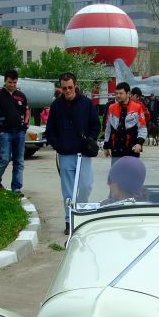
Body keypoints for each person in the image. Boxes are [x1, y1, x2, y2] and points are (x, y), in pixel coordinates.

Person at [44, 72, 101, 234]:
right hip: (65, 154)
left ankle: (81, 214)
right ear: (60, 88)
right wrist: (58, 145)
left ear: (75, 85)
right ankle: (70, 220)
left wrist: (90, 139)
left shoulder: (86, 104)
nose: (67, 91)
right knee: (68, 191)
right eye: (64, 88)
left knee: (86, 185)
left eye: (70, 87)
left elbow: (95, 125)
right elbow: (50, 130)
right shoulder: (56, 106)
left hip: (83, 153)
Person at [0, 69, 29, 196]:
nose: (12, 85)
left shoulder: (21, 96)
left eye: (14, 82)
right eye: (10, 82)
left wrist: (24, 127)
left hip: (19, 133)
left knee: (19, 161)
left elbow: (27, 112)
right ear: (5, 81)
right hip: (4, 133)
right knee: (5, 158)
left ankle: (16, 188)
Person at [103, 82, 146, 160]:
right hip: (116, 150)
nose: (118, 95)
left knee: (132, 172)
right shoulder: (111, 108)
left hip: (132, 150)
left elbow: (142, 128)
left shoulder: (137, 107)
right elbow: (108, 129)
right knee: (117, 172)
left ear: (128, 93)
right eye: (116, 93)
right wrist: (106, 146)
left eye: (121, 93)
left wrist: (139, 143)